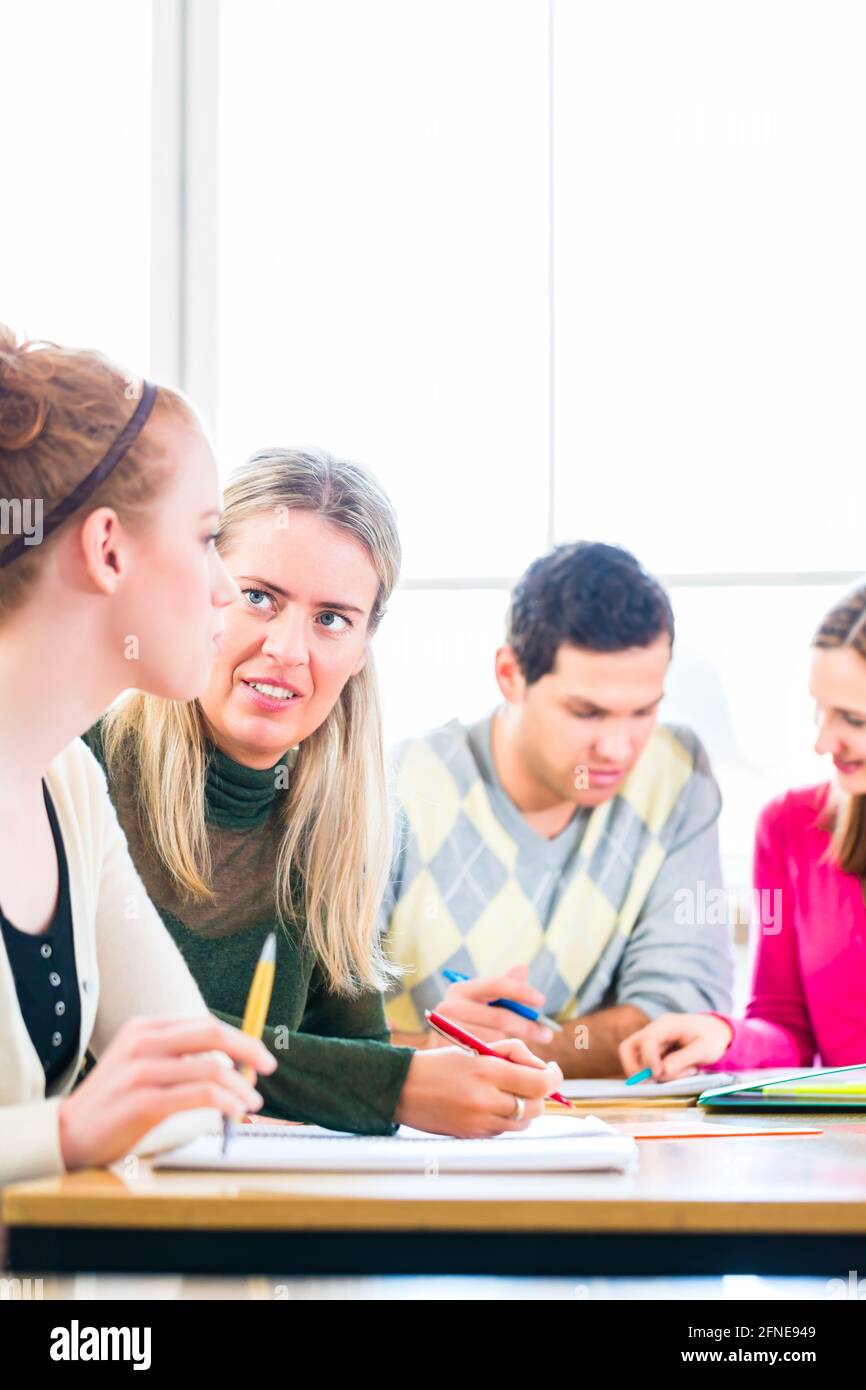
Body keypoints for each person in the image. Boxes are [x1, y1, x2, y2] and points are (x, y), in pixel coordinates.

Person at [85, 447, 561, 1137]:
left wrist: (428, 1062)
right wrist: (393, 1085)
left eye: (332, 618)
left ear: (364, 645)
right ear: (205, 585)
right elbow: (119, 1018)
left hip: (248, 1209)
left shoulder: (335, 820)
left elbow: (347, 1061)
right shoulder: (78, 773)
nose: (288, 649)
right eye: (259, 598)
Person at [0, 324, 276, 1187]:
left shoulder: (67, 782)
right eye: (204, 537)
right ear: (109, 548)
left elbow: (197, 1087)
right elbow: (125, 1110)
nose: (225, 586)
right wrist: (71, 1129)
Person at [380, 541, 734, 1077]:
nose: (617, 749)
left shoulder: (678, 775)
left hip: (613, 1137)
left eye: (643, 710)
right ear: (510, 675)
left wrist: (468, 1056)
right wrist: (426, 1056)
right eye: (586, 712)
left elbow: (678, 1017)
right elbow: (314, 1024)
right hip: (415, 1138)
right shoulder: (397, 784)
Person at [619, 583, 866, 1079]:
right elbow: (784, 1027)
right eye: (820, 708)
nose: (822, 742)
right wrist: (724, 1037)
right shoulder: (789, 828)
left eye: (853, 719)